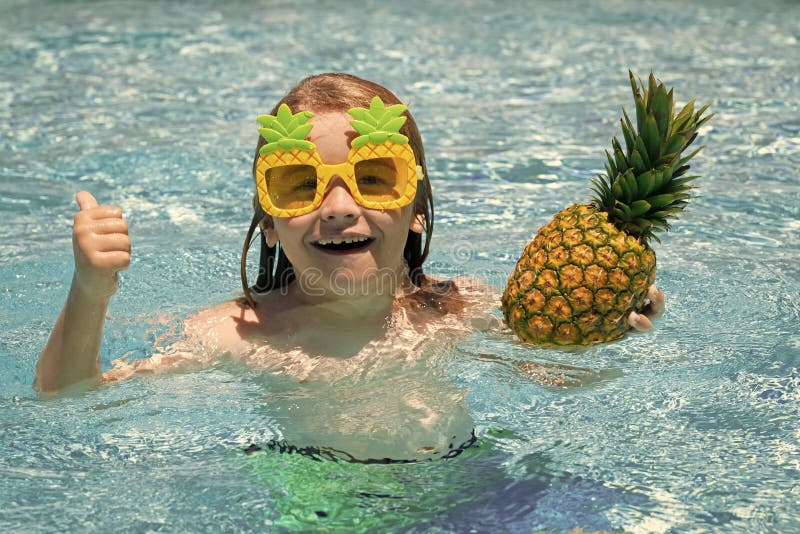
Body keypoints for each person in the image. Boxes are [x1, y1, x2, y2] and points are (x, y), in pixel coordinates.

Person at [35, 73, 664, 460]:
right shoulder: (239, 331)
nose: (339, 208)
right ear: (271, 224)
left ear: (416, 209)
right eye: (299, 186)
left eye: (372, 179)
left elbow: (559, 379)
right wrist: (90, 291)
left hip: (472, 477)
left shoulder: (457, 306)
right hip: (324, 501)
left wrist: (606, 323)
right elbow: (70, 400)